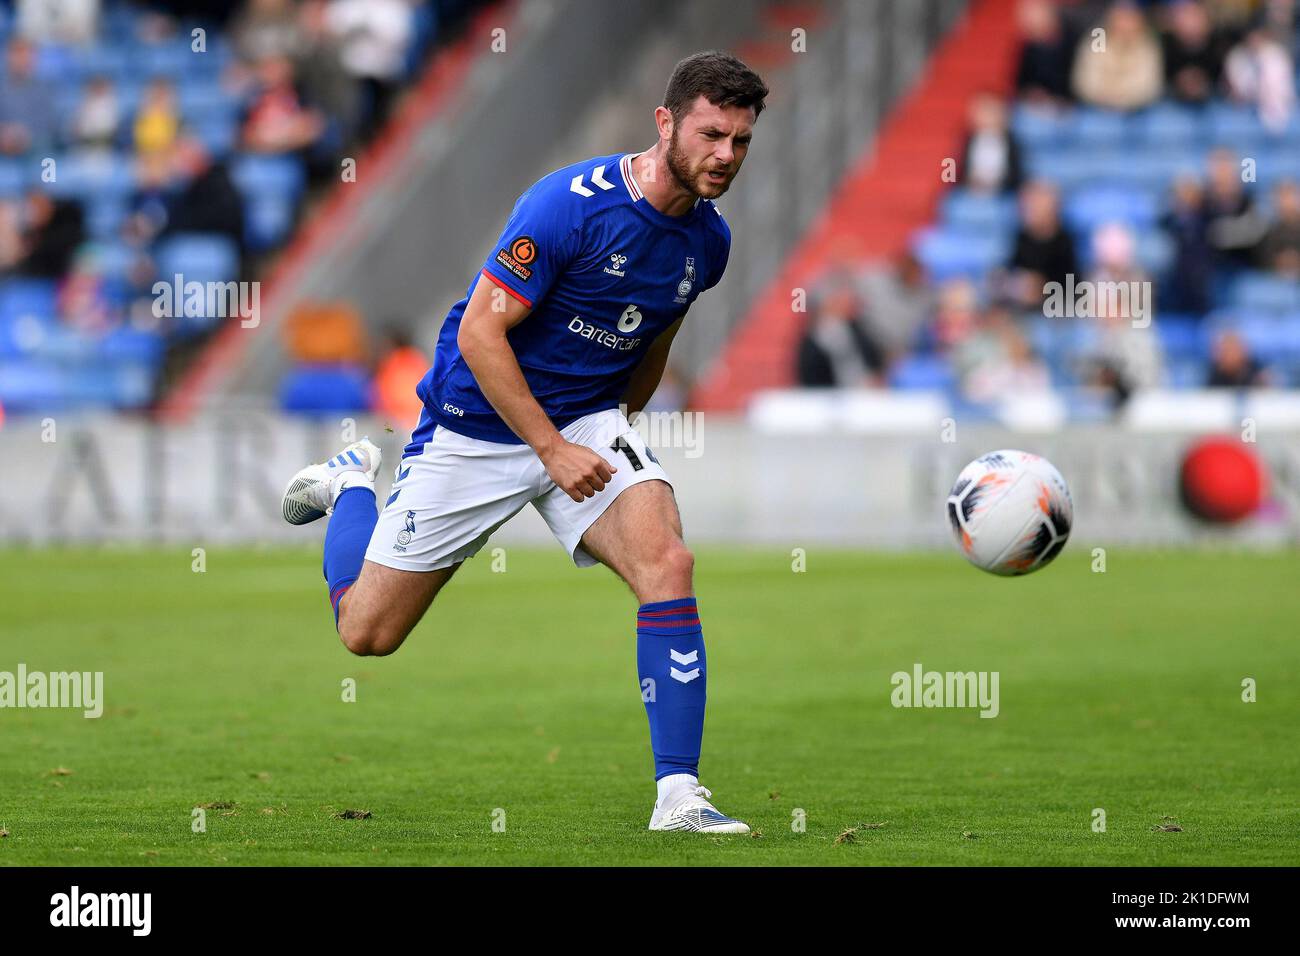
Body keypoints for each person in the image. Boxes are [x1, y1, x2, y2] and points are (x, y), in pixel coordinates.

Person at [278, 51, 768, 835]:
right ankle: (353, 487)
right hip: (477, 424)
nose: (725, 157)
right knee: (366, 635)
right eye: (712, 135)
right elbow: (480, 331)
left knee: (667, 563)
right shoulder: (569, 206)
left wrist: (615, 433)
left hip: (583, 421)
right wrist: (549, 450)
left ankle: (679, 795)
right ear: (666, 122)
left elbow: (654, 340)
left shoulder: (706, 244)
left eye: (741, 143)